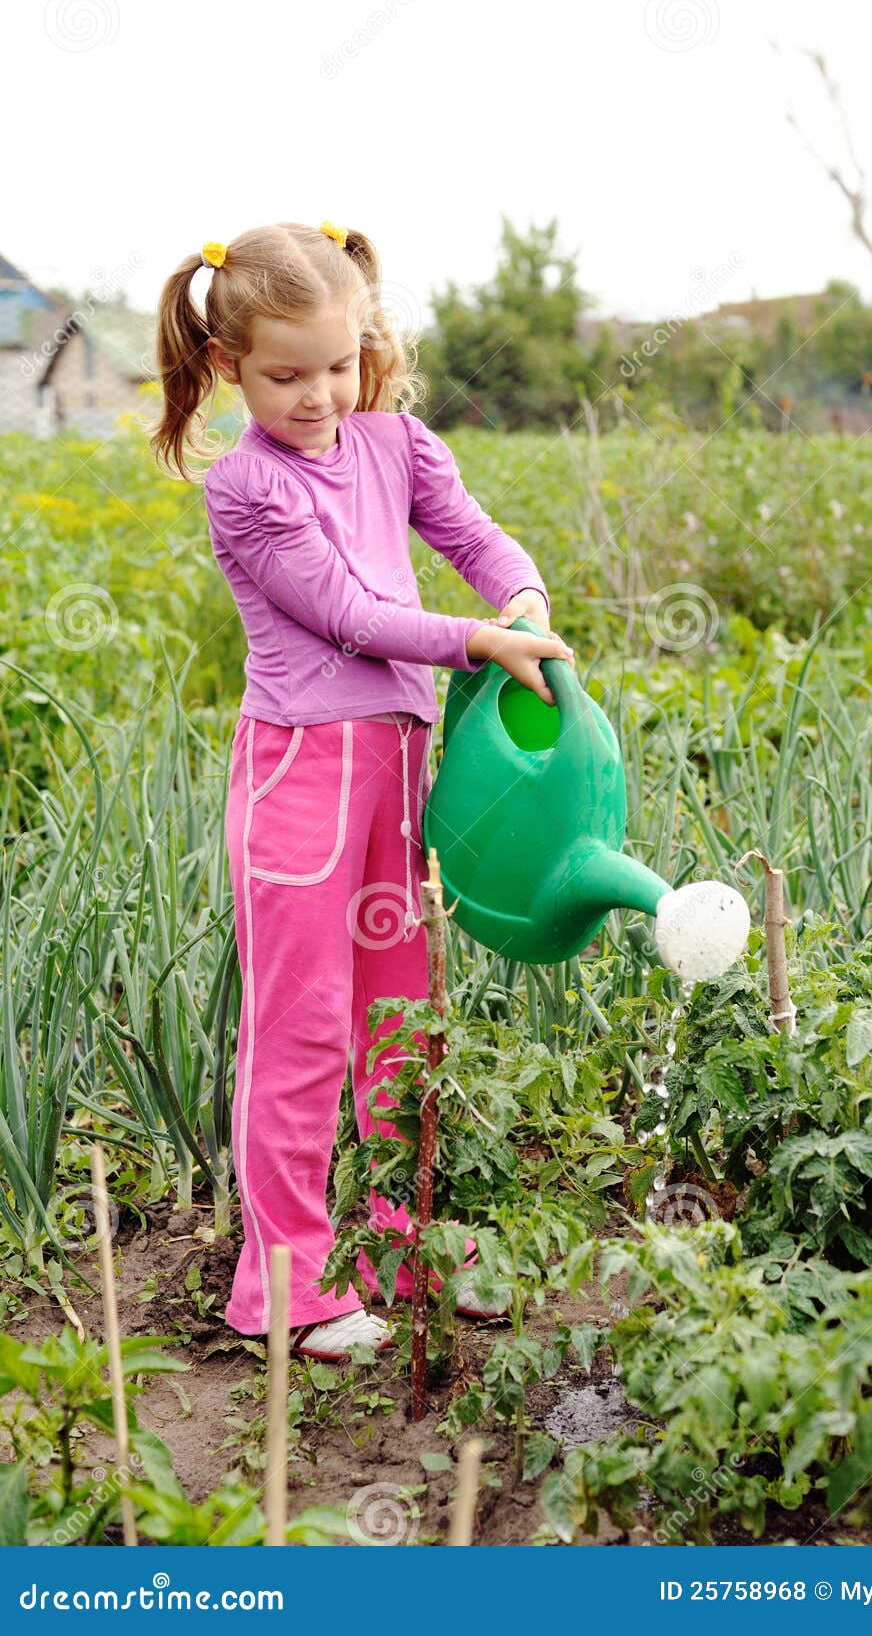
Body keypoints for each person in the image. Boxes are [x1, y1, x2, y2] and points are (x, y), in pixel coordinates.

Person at [150, 220, 575, 1363]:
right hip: (301, 781)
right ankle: (281, 1286)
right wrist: (483, 643)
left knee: (403, 1022)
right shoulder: (245, 488)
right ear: (230, 364)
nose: (320, 395)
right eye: (286, 374)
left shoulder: (398, 444)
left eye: (338, 366)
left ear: (364, 343)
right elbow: (349, 612)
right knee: (301, 1034)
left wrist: (522, 597)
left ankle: (403, 1246)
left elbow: (476, 540)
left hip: (397, 775)